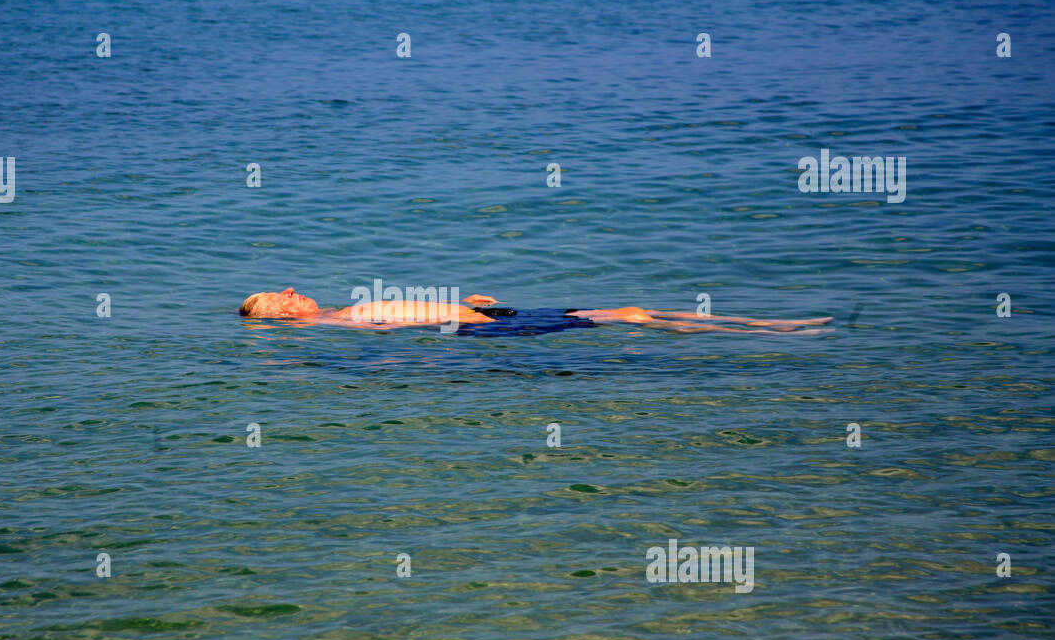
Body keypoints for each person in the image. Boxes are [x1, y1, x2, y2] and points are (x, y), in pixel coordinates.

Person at [238, 288, 833, 335]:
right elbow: (410, 324)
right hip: (491, 330)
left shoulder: (338, 312)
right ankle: (769, 327)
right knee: (632, 315)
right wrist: (466, 319)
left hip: (490, 318)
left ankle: (765, 324)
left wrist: (465, 303)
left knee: (633, 312)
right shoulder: (327, 324)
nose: (291, 293)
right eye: (278, 297)